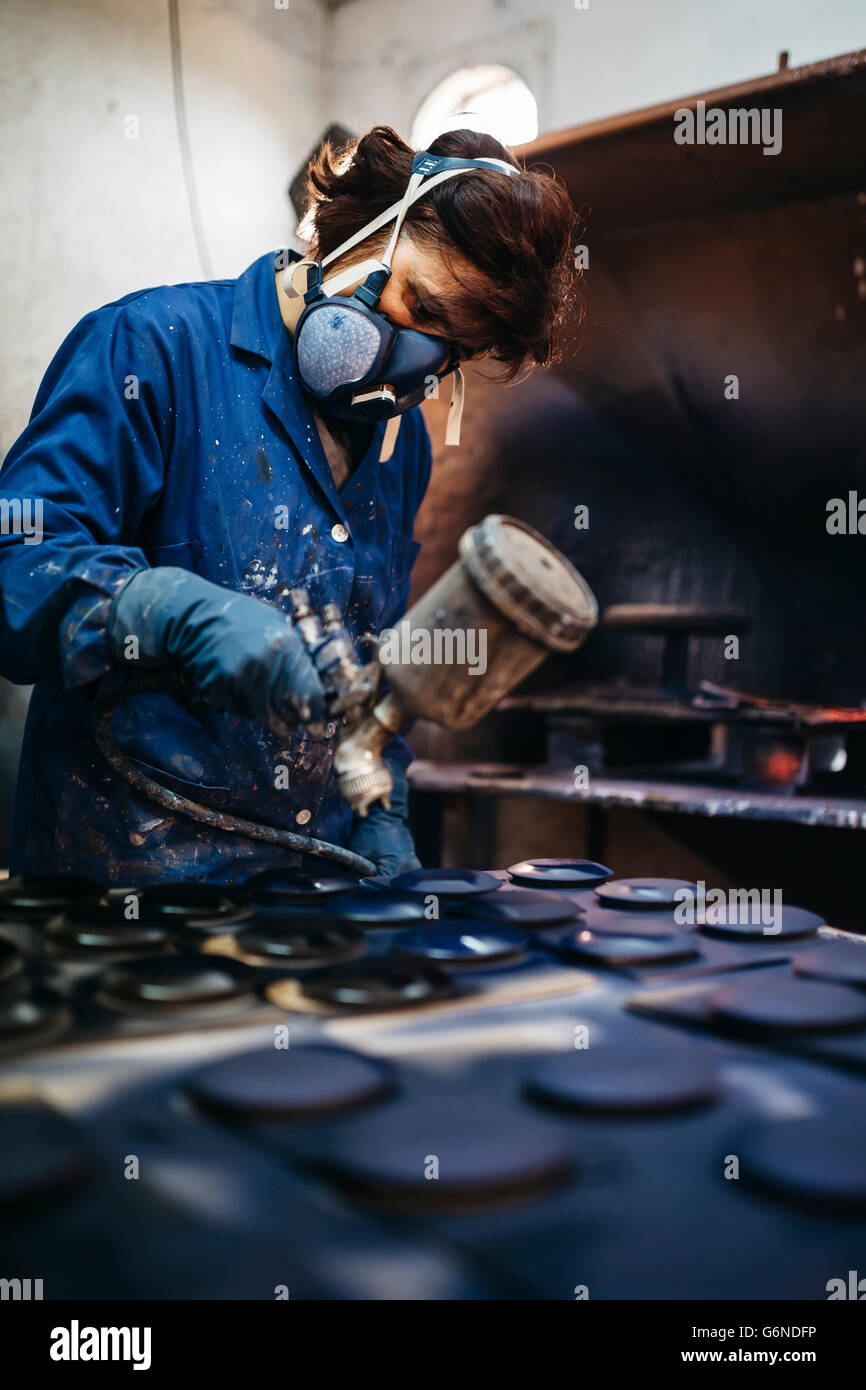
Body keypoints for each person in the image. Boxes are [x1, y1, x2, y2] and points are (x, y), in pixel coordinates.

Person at [0, 125, 578, 885]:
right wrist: (165, 611)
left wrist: (381, 809)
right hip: (123, 894)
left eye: (453, 348)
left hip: (304, 903)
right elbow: (19, 564)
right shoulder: (153, 348)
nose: (421, 361)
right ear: (362, 229)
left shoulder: (399, 446)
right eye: (423, 309)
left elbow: (368, 668)